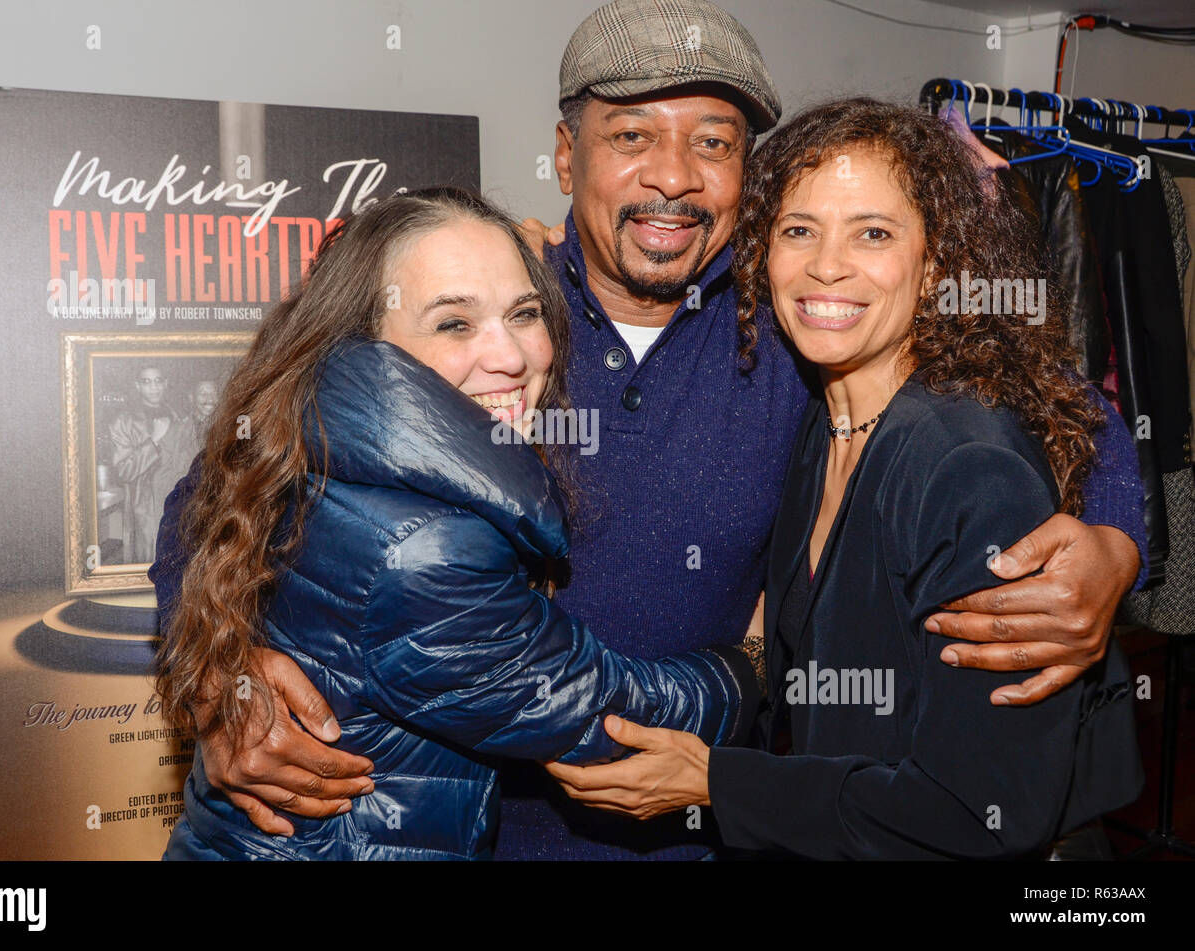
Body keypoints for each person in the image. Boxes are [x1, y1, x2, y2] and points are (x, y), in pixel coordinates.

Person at [153, 0, 1147, 860]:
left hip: (717, 833)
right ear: (563, 154)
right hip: (483, 838)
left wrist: (1111, 545)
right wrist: (218, 667)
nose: (674, 176)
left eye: (712, 142)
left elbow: (1056, 400)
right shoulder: (491, 329)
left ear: (745, 174)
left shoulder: (799, 320)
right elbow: (226, 487)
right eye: (631, 135)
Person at [544, 99, 1145, 859]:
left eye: (873, 232)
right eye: (799, 229)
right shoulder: (813, 408)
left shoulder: (965, 467)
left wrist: (1115, 545)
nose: (828, 264)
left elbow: (979, 810)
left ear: (938, 263)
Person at [153, 187, 761, 860]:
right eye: (453, 324)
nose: (509, 355)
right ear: (364, 337)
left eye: (524, 314)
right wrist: (752, 664)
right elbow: (616, 716)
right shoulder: (426, 550)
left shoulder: (309, 430)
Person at [109, 365, 193, 563]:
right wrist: (153, 440)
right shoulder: (123, 421)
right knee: (150, 562)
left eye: (158, 381)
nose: (153, 387)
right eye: (146, 382)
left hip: (180, 503)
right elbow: (122, 471)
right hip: (146, 508)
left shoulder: (180, 417)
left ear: (165, 384)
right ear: (137, 386)